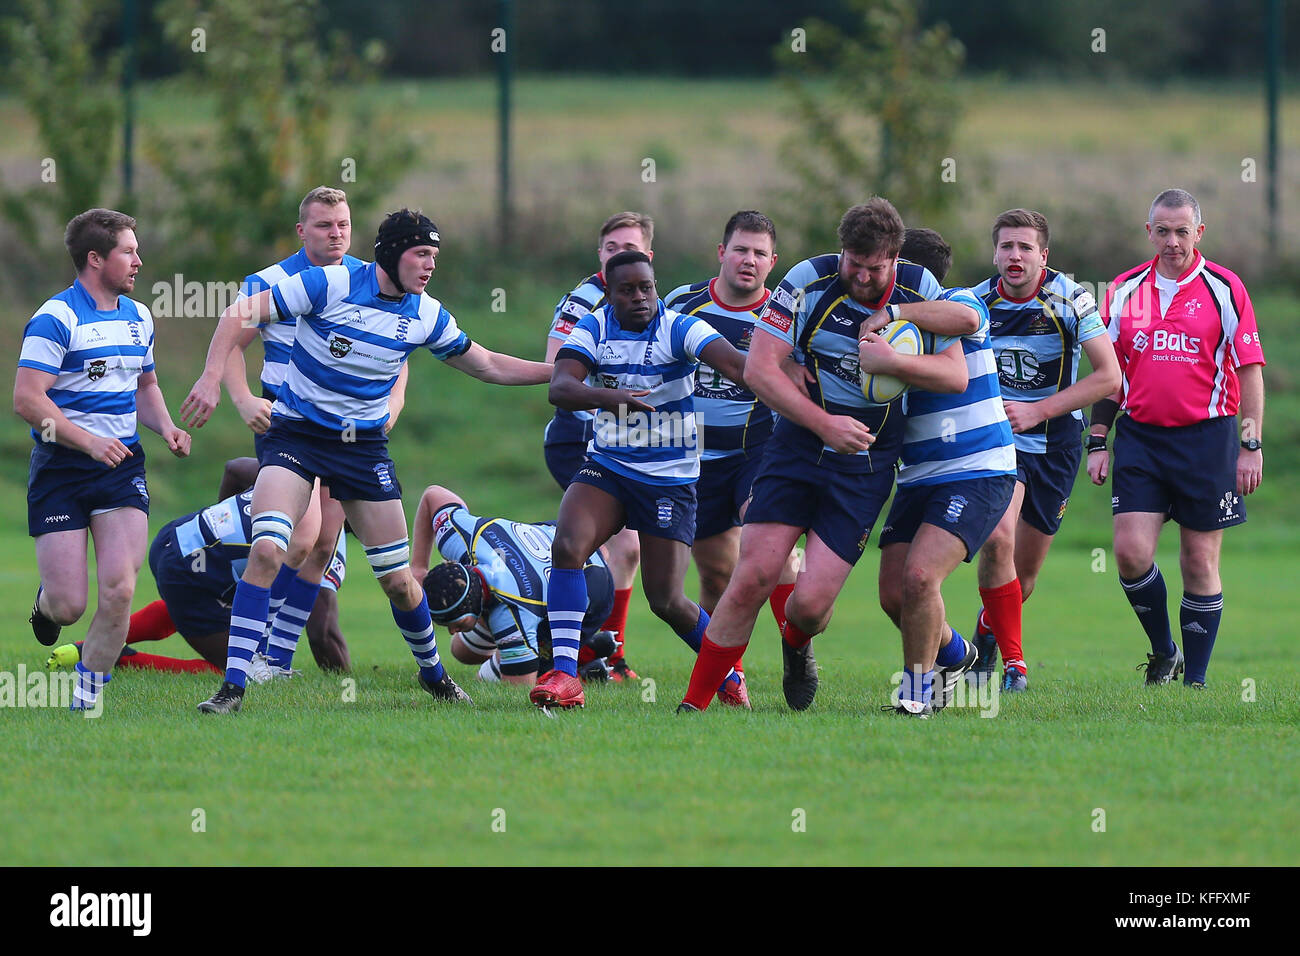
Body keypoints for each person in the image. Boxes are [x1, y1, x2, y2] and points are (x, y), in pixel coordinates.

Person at [180, 208, 552, 714]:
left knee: (399, 582)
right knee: (269, 550)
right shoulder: (330, 283)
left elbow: (485, 363)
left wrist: (557, 372)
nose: (429, 266)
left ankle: (435, 677)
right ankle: (233, 688)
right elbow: (241, 313)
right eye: (421, 254)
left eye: (434, 257)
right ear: (393, 253)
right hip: (296, 435)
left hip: (362, 450)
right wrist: (209, 376)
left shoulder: (425, 314)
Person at [677, 199, 974, 714]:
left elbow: (956, 374)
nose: (860, 276)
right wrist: (822, 423)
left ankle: (797, 647)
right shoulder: (806, 280)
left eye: (873, 267)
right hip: (795, 448)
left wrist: (895, 355)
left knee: (810, 608)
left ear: (895, 258)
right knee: (752, 575)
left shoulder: (920, 288)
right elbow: (759, 370)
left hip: (865, 463)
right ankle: (693, 706)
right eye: (851, 263)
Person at [532, 250, 749, 710]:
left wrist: (789, 388)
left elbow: (737, 366)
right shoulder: (594, 327)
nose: (639, 297)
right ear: (609, 295)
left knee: (667, 600)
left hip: (668, 480)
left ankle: (728, 675)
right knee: (567, 546)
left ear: (656, 286)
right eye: (626, 290)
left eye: (646, 287)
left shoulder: (680, 327)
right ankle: (566, 676)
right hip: (608, 465)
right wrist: (608, 397)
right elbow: (560, 387)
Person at [1087, 188, 1265, 688]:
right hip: (1141, 439)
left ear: (1198, 233)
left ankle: (1197, 681)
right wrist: (1098, 439)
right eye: (1162, 231)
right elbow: (1110, 373)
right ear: (1149, 232)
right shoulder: (1123, 290)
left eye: (1181, 231)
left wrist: (1250, 445)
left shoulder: (1226, 288)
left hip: (1208, 440)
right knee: (1129, 553)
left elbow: (1250, 373)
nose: (1172, 241)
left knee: (1199, 559)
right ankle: (1165, 652)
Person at [16, 208, 191, 712]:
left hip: (122, 469)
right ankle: (45, 605)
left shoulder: (139, 318)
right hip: (60, 470)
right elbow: (28, 399)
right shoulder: (57, 318)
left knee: (119, 588)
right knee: (69, 604)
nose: (139, 260)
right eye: (129, 251)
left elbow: (145, 386)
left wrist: (167, 428)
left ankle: (86, 698)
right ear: (95, 259)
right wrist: (88, 441)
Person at [221, 186, 388, 678]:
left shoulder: (368, 279)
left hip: (350, 426)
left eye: (342, 225)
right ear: (302, 231)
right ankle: (250, 649)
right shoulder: (269, 280)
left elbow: (397, 350)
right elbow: (232, 339)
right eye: (323, 225)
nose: (335, 234)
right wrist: (244, 398)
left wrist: (391, 405)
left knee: (323, 544)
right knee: (297, 537)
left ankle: (276, 659)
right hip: (287, 421)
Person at [968, 210, 1121, 691]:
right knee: (996, 541)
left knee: (1024, 576)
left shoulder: (1072, 299)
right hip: (998, 444)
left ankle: (984, 643)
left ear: (1043, 256)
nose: (1015, 256)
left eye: (1025, 248)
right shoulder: (973, 303)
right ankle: (1014, 664)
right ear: (994, 252)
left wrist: (1040, 410)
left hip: (1055, 447)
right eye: (1006, 247)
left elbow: (1109, 377)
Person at [874, 228, 1015, 716]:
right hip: (917, 475)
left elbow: (969, 316)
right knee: (895, 595)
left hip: (977, 468)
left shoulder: (954, 303)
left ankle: (918, 695)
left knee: (919, 577)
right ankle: (957, 653)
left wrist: (895, 312)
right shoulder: (880, 326)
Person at [45, 460, 349, 678]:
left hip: (178, 539)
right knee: (246, 671)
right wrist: (342, 677)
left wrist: (220, 524)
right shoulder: (329, 543)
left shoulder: (292, 472)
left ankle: (86, 646)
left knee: (227, 607)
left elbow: (234, 468)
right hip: (187, 572)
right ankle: (122, 658)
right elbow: (321, 631)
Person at [664, 211, 801, 679]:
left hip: (757, 453)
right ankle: (727, 677)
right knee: (716, 576)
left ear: (773, 263)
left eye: (760, 254)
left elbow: (803, 378)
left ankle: (795, 647)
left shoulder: (783, 317)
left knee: (770, 542)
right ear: (722, 253)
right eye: (741, 250)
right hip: (691, 459)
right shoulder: (682, 303)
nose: (749, 260)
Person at [542, 212, 654, 680]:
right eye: (609, 248)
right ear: (599, 256)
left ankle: (601, 652)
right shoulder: (585, 300)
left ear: (648, 256)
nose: (616, 255)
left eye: (627, 247)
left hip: (626, 440)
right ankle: (589, 653)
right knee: (612, 544)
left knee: (626, 549)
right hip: (581, 436)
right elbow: (555, 366)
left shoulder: (647, 298)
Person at [409, 484, 616, 688]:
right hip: (563, 537)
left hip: (593, 589)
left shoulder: (512, 616)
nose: (452, 631)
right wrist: (418, 568)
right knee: (462, 651)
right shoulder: (461, 539)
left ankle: (579, 665)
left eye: (455, 622)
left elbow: (517, 689)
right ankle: (586, 647)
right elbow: (433, 494)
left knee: (488, 681)